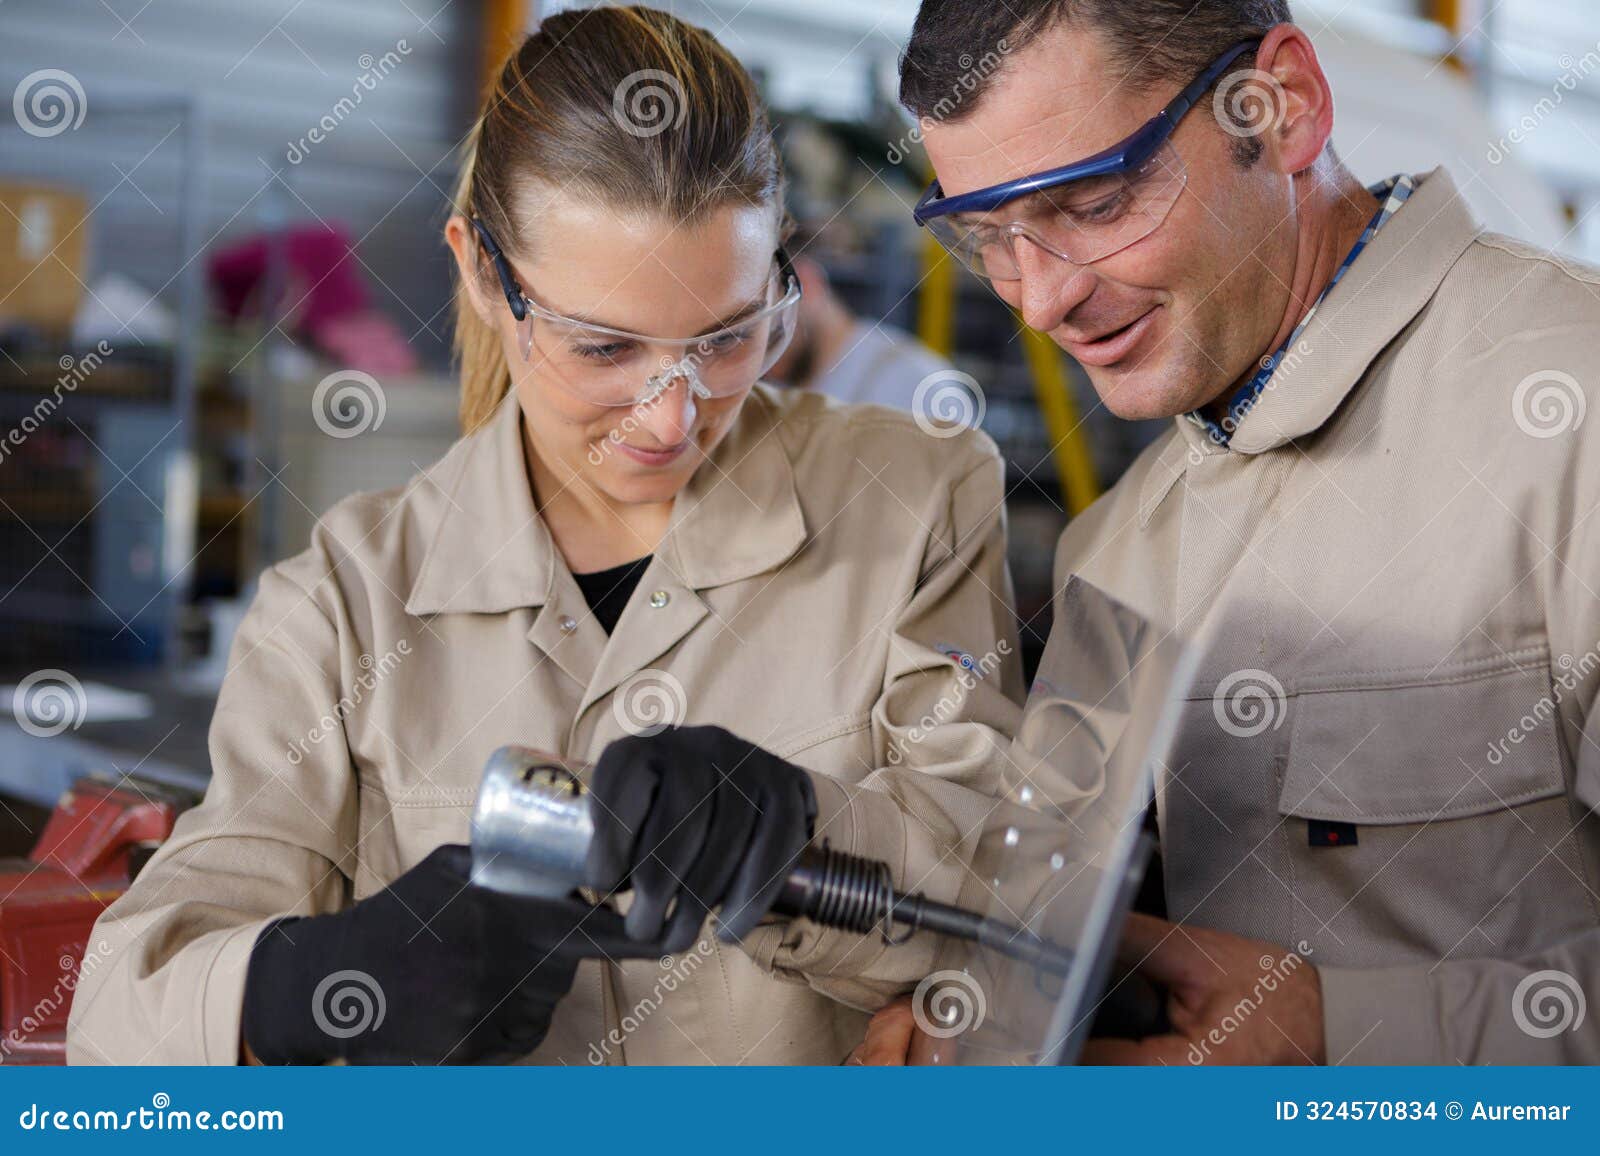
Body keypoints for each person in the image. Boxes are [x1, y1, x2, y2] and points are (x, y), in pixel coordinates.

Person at [66, 5, 1023, 1066]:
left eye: (727, 336)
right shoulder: (347, 596)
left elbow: (1014, 905)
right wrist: (309, 981)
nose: (671, 414)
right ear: (482, 275)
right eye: (604, 347)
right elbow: (123, 1005)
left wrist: (804, 825)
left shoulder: (911, 498)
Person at [861, 0, 1600, 1064]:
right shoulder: (1110, 556)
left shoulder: (1567, 409)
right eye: (990, 240)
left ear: (1280, 107)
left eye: (1096, 202)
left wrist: (1337, 1035)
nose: (1041, 301)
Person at [767, 238, 954, 411]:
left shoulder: (918, 384)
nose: (760, 359)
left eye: (769, 330)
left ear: (806, 282)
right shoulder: (775, 389)